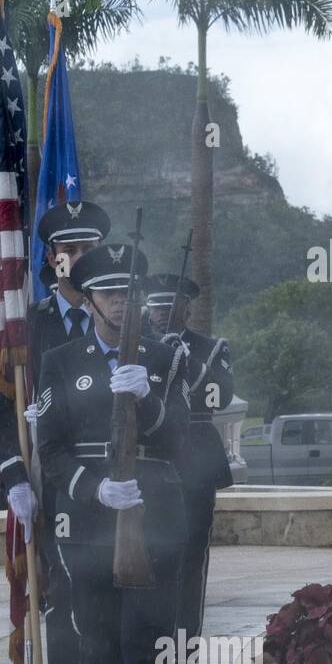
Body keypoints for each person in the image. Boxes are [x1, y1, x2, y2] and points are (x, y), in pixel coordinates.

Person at [35, 243, 190, 664]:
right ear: (89, 300)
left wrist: (148, 400)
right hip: (90, 526)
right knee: (97, 647)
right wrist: (92, 487)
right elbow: (49, 452)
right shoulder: (61, 361)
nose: (123, 303)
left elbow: (182, 439)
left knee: (148, 649)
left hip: (154, 522)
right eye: (110, 293)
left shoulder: (165, 357)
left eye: (131, 292)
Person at [0, 199, 113, 664]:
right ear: (52, 258)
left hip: (114, 482)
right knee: (63, 604)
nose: (79, 258)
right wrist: (17, 475)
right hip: (49, 479)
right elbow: (1, 408)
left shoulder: (115, 315)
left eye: (89, 248)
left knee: (115, 598)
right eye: (70, 250)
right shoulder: (28, 325)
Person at [145, 275, 235, 644]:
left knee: (192, 551)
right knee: (151, 548)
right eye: (156, 306)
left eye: (170, 306)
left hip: (197, 458)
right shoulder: (138, 345)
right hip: (153, 458)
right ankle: (152, 633)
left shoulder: (211, 348)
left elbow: (219, 397)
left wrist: (185, 361)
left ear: (187, 307)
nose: (162, 314)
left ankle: (185, 638)